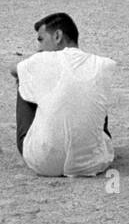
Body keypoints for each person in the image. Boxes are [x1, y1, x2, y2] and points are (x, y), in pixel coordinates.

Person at [10, 13, 116, 177]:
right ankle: (87, 144)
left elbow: (13, 69)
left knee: (23, 78)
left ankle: (45, 144)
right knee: (93, 86)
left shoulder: (41, 59)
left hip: (44, 163)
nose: (39, 48)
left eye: (41, 40)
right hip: (92, 163)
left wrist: (36, 64)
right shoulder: (103, 64)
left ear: (57, 36)